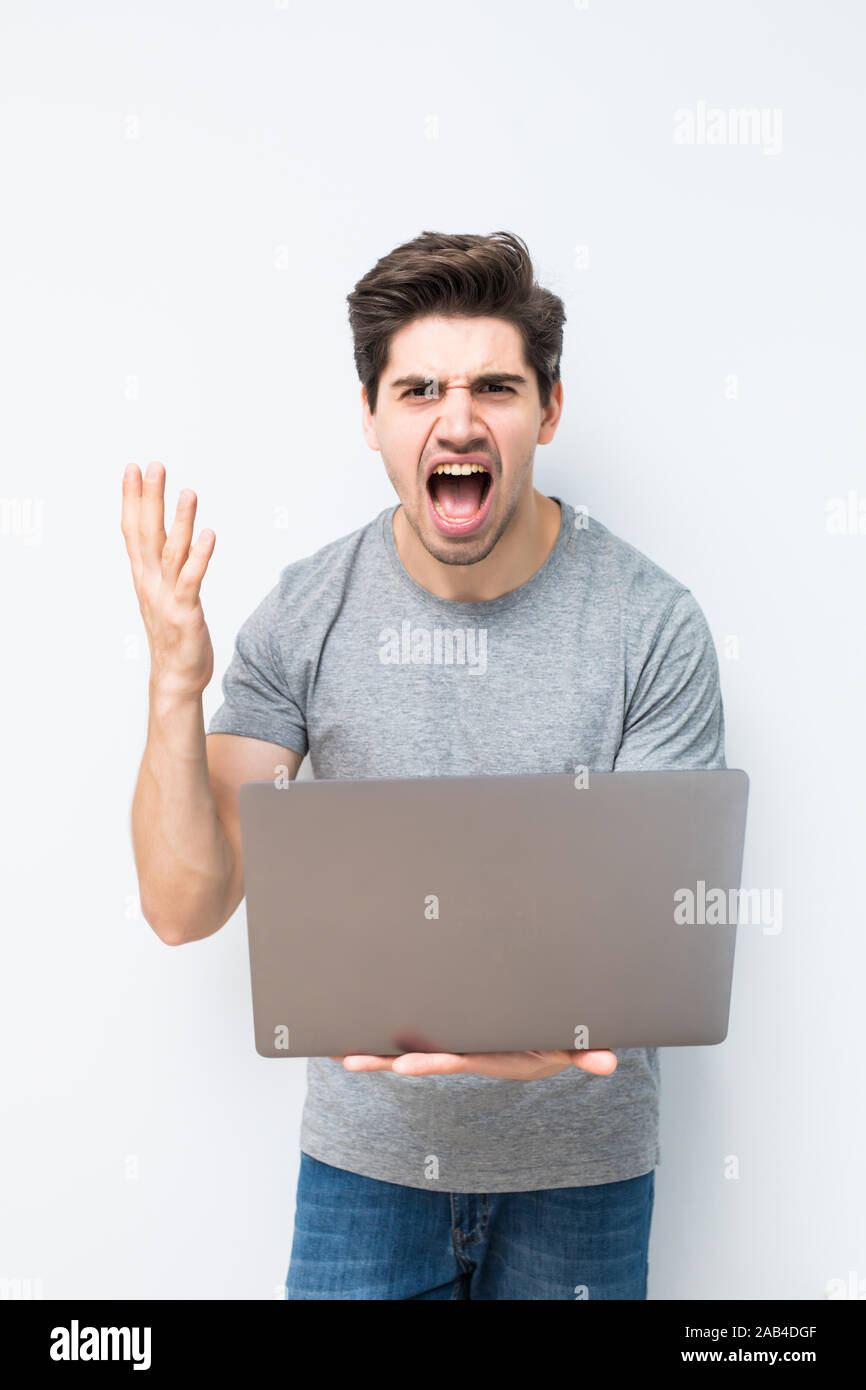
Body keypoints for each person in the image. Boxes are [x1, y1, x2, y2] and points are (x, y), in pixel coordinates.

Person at [122, 230, 725, 1300]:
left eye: (494, 385)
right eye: (418, 390)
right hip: (366, 1172)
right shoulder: (307, 614)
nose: (457, 419)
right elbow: (182, 903)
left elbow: (661, 938)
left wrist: (557, 1040)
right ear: (371, 418)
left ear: (546, 409)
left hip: (581, 1176)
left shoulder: (650, 623)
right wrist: (175, 682)